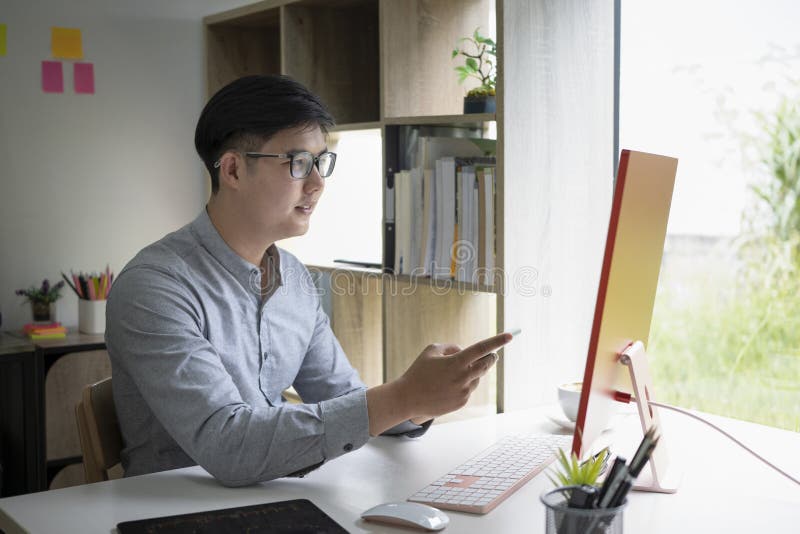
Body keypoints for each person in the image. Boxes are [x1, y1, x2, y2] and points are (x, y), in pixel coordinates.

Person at [105, 74, 510, 486]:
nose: (317, 184)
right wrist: (402, 396)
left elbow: (343, 400)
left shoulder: (295, 278)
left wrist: (420, 402)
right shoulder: (154, 288)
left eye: (321, 162)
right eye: (298, 163)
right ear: (232, 170)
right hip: (170, 512)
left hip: (274, 499)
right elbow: (230, 446)